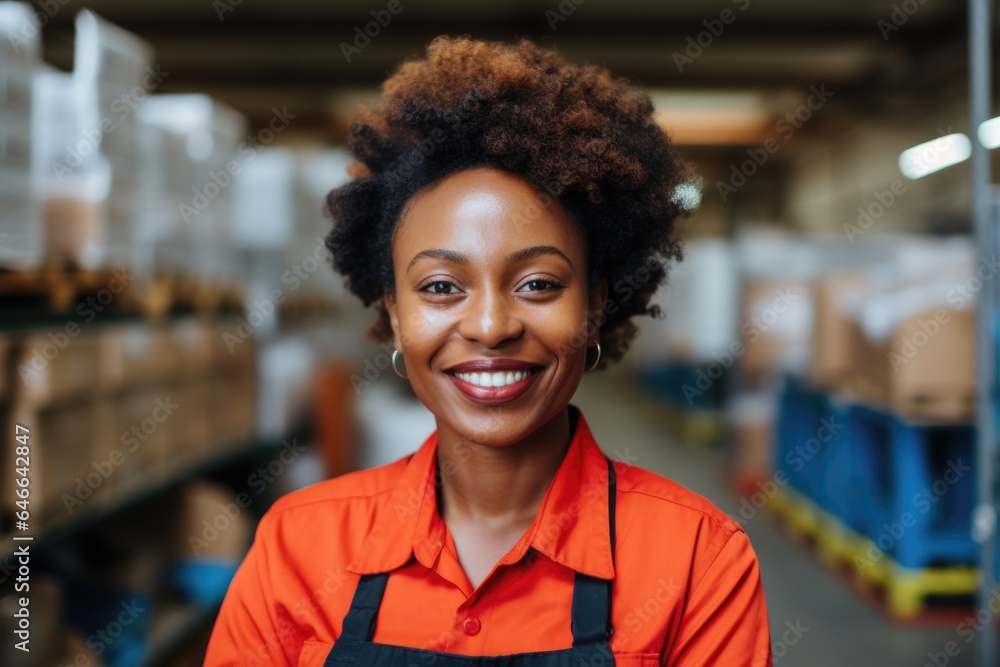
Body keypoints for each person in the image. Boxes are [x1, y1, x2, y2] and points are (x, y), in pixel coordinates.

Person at [205, 36, 773, 666]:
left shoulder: (698, 560)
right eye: (442, 287)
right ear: (394, 313)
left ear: (593, 309)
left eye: (537, 284)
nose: (490, 325)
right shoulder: (298, 547)